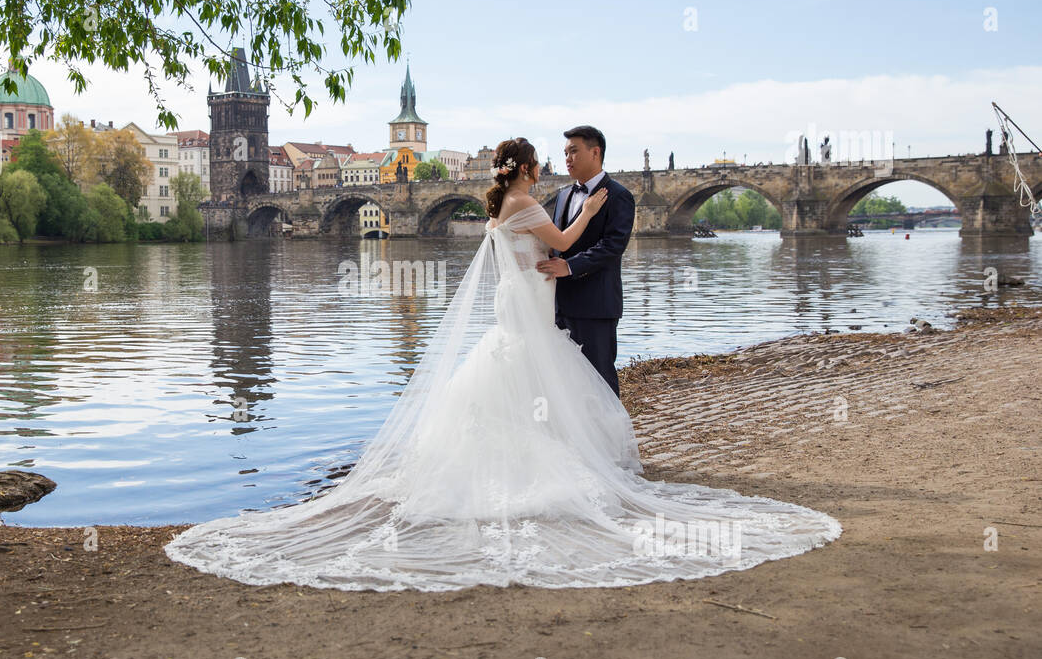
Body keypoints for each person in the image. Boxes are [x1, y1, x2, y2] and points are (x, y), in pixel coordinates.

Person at [164, 137, 841, 591]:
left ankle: (518, 469)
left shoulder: (503, 206)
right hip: (531, 307)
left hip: (518, 307)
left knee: (514, 389)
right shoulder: (527, 205)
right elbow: (570, 238)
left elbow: (550, 249)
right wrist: (594, 209)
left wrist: (575, 239)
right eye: (541, 163)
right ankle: (549, 474)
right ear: (522, 172)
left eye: (562, 158)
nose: (549, 170)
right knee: (543, 385)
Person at [536, 125, 634, 396]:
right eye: (565, 153)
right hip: (560, 305)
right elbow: (559, 241)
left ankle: (612, 439)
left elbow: (612, 247)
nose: (567, 158)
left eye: (573, 152)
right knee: (566, 384)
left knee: (599, 380)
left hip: (595, 305)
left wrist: (569, 267)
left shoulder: (619, 195)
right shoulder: (564, 194)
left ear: (595, 152)